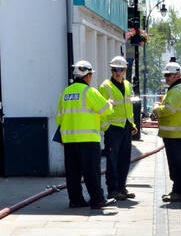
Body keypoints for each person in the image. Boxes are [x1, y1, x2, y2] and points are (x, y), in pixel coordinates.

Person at [57, 59, 113, 211]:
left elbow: (59, 117)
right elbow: (105, 110)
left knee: (73, 173)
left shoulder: (65, 92)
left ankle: (76, 200)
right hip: (88, 140)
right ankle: (97, 200)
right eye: (91, 75)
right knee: (91, 172)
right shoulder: (89, 92)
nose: (91, 77)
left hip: (69, 140)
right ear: (87, 75)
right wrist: (109, 103)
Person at [153, 62, 181, 203]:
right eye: (165, 75)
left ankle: (179, 191)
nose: (166, 77)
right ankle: (177, 189)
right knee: (177, 161)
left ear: (177, 75)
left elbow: (169, 109)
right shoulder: (178, 88)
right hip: (176, 132)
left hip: (175, 133)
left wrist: (156, 109)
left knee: (176, 162)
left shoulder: (177, 91)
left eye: (168, 75)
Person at [99, 55, 138, 201]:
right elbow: (101, 110)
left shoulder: (127, 85)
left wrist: (132, 124)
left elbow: (128, 106)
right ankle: (112, 190)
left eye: (120, 69)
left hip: (125, 128)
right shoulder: (105, 87)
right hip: (113, 129)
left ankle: (122, 187)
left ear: (125, 70)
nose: (117, 72)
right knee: (112, 160)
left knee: (124, 160)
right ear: (111, 69)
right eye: (115, 69)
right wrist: (106, 128)